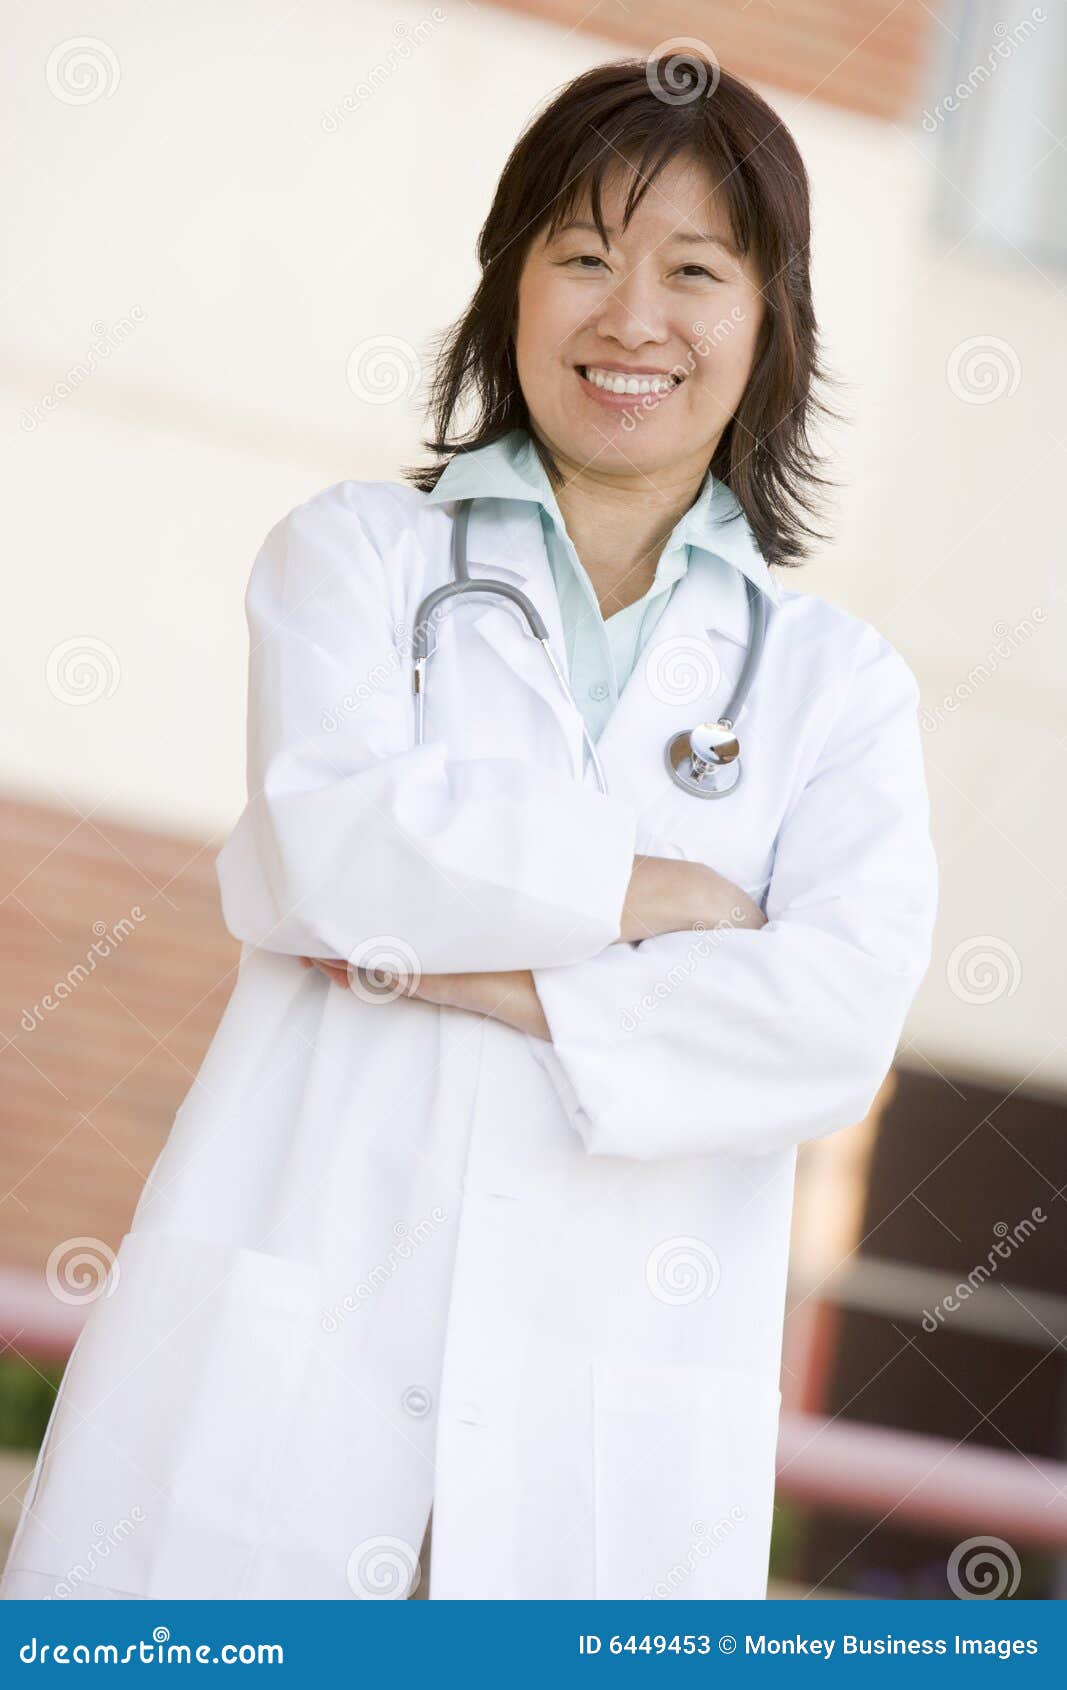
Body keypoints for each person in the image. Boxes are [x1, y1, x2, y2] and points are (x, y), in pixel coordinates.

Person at [1, 54, 937, 1603]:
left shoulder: (839, 689)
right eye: (582, 258)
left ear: (771, 325)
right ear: (511, 290)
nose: (631, 317)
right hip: (275, 1407)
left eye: (693, 270)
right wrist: (657, 895)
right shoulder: (355, 561)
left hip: (601, 1452)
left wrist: (486, 972)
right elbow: (326, 855)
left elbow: (829, 1027)